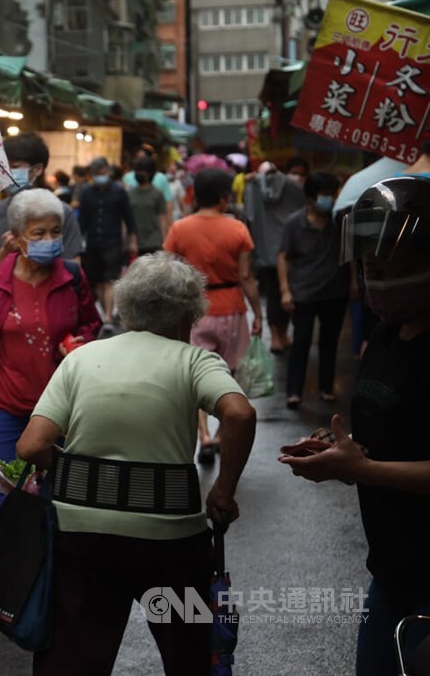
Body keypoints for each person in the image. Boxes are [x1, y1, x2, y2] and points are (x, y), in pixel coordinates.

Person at [16, 252, 256, 675]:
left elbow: (32, 445)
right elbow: (238, 414)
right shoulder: (195, 361)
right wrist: (223, 490)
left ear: (126, 308)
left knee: (74, 658)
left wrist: (69, 468)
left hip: (83, 534)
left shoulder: (82, 358)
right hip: (172, 537)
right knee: (190, 652)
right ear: (189, 315)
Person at [279, 176, 430, 676]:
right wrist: (334, 451)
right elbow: (378, 442)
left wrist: (362, 469)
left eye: (396, 269)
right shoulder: (384, 337)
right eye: (370, 268)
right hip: (391, 572)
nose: (378, 281)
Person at [0, 188, 101, 531]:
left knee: (61, 493)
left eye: (55, 232)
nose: (49, 240)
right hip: (6, 409)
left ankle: (53, 568)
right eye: (39, 233)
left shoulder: (73, 278)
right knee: (7, 493)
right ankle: (12, 566)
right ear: (17, 238)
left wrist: (82, 341)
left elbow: (91, 322)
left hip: (64, 410)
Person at [163, 168, 262, 462]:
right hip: (231, 307)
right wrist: (258, 313)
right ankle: (220, 435)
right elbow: (245, 276)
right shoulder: (238, 229)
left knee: (194, 376)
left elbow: (168, 271)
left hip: (193, 310)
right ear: (223, 198)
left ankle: (204, 436)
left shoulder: (179, 229)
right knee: (231, 376)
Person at [278, 172, 350, 409]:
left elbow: (350, 255)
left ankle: (326, 388)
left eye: (332, 194)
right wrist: (285, 290)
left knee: (330, 342)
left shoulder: (340, 221)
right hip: (304, 291)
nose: (329, 199)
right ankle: (294, 391)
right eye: (324, 194)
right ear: (310, 197)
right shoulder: (294, 223)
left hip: (335, 291)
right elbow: (283, 257)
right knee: (301, 339)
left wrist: (356, 284)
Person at [0, 133, 83, 275]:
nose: (6, 173)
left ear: (37, 169)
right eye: (2, 167)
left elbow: (74, 269)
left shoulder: (61, 212)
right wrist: (5, 252)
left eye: (14, 167)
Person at [244, 161, 307, 354]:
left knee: (272, 294)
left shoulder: (253, 186)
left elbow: (249, 216)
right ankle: (284, 334)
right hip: (289, 251)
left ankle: (276, 338)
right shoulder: (293, 187)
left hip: (265, 252)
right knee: (287, 294)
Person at [78, 156, 137, 329]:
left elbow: (129, 217)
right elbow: (82, 220)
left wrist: (133, 240)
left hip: (113, 242)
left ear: (108, 171)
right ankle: (106, 314)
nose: (99, 175)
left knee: (110, 279)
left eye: (102, 172)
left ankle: (109, 317)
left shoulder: (119, 192)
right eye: (96, 173)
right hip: (92, 243)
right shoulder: (86, 193)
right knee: (97, 281)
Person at [127, 158, 169, 255]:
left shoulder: (157, 194)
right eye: (137, 171)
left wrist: (164, 241)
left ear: (150, 173)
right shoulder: (129, 194)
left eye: (142, 171)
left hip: (153, 241)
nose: (139, 173)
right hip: (135, 243)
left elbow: (162, 219)